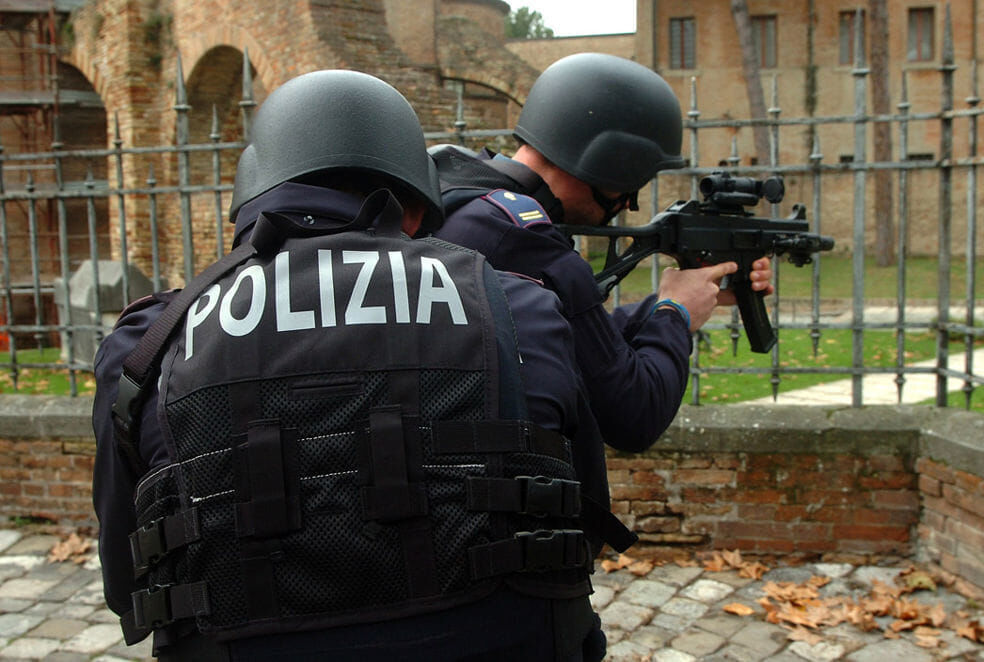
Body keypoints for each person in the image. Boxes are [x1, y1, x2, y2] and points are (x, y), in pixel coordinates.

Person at [93, 70, 618, 661]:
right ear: (415, 208)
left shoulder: (147, 346)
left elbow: (127, 579)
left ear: (252, 199)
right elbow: (582, 523)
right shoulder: (522, 308)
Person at [432, 52, 774, 453]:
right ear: (610, 164)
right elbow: (634, 415)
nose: (627, 204)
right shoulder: (533, 245)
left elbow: (576, 339)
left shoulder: (452, 194)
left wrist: (664, 304)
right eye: (630, 185)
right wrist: (675, 317)